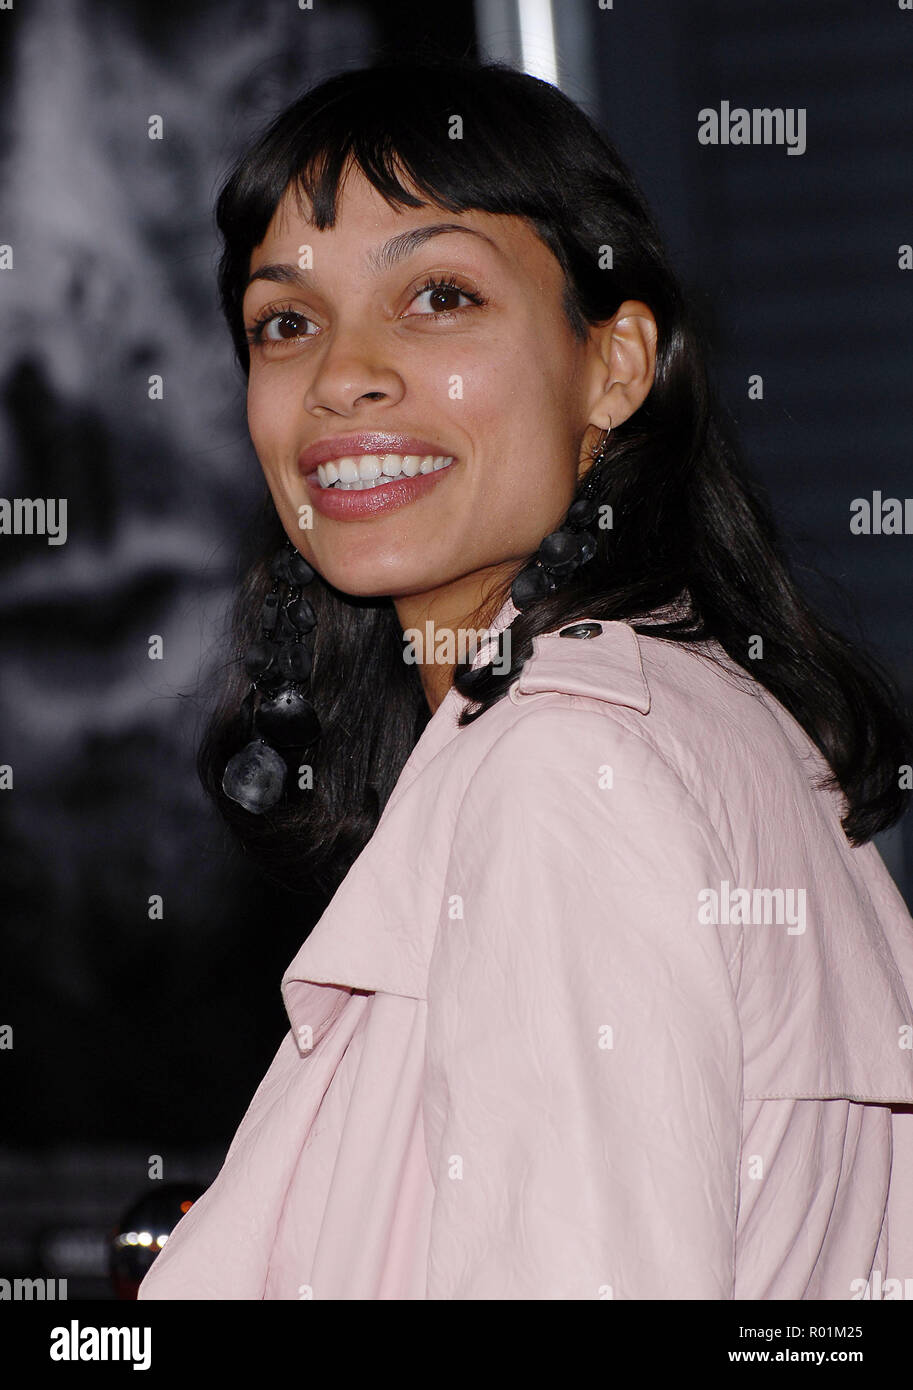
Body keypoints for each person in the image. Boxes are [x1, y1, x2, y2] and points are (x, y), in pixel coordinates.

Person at [138, 55, 913, 1300]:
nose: (340, 375)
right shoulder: (702, 714)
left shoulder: (565, 774)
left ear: (612, 366)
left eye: (438, 295)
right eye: (285, 321)